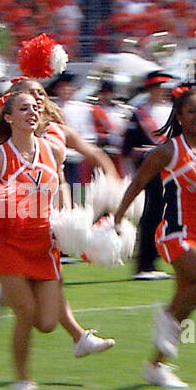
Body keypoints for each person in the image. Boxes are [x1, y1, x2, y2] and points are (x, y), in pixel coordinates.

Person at [112, 86, 196, 389]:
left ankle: (156, 366)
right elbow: (137, 184)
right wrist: (118, 216)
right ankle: (165, 316)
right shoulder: (167, 151)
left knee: (187, 303)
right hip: (174, 233)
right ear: (180, 118)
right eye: (192, 111)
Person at [9, 77, 117, 358]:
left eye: (40, 93)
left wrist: (112, 178)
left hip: (54, 219)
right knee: (51, 283)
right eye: (29, 95)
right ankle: (78, 336)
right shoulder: (10, 138)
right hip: (19, 220)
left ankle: (77, 335)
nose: (37, 98)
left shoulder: (59, 131)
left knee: (53, 284)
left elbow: (90, 154)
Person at [0, 90, 65, 390]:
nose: (32, 112)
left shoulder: (52, 150)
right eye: (23, 108)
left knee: (47, 322)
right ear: (9, 117)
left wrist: (66, 224)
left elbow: (60, 192)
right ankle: (23, 381)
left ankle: (5, 292)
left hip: (43, 246)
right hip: (9, 245)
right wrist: (6, 204)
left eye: (36, 108)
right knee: (25, 313)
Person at [122, 71, 175, 279]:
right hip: (150, 171)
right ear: (150, 90)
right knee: (151, 214)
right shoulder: (140, 114)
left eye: (165, 88)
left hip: (171, 170)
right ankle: (144, 264)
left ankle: (155, 260)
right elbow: (129, 147)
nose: (162, 92)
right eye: (158, 88)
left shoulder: (174, 111)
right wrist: (147, 153)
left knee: (166, 215)